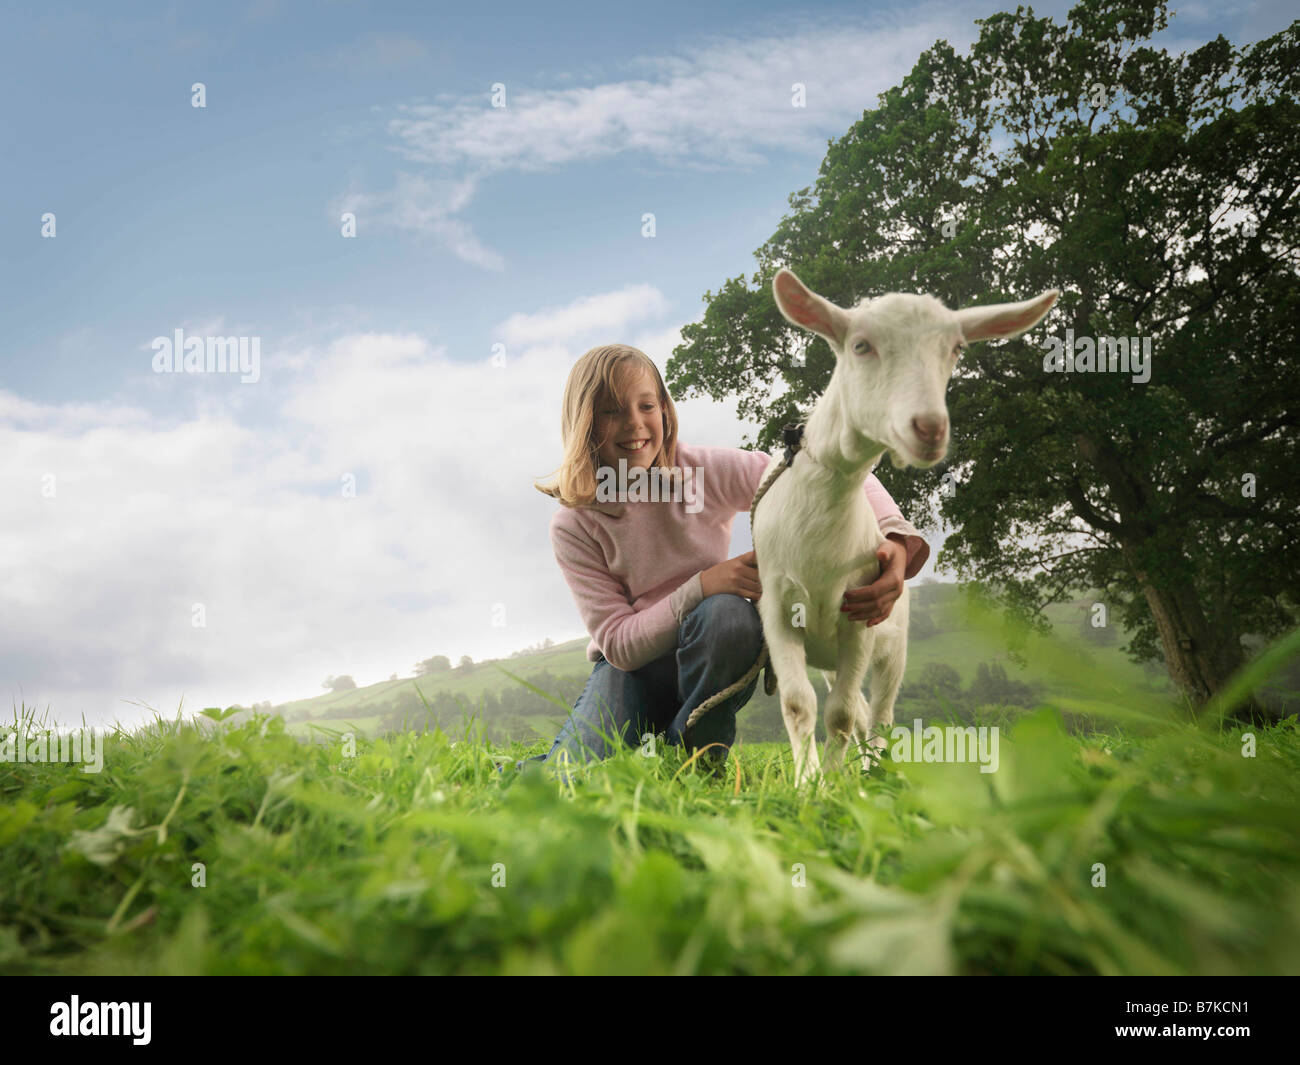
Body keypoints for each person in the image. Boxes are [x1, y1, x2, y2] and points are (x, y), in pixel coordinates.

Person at [519, 343, 929, 780]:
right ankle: (534, 768)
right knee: (561, 780)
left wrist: (896, 538)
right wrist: (702, 584)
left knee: (730, 613)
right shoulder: (574, 524)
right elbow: (618, 644)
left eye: (647, 406)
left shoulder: (700, 471)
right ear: (585, 423)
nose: (634, 424)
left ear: (665, 411)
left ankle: (695, 760)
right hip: (633, 673)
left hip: (714, 651)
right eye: (612, 411)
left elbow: (818, 469)